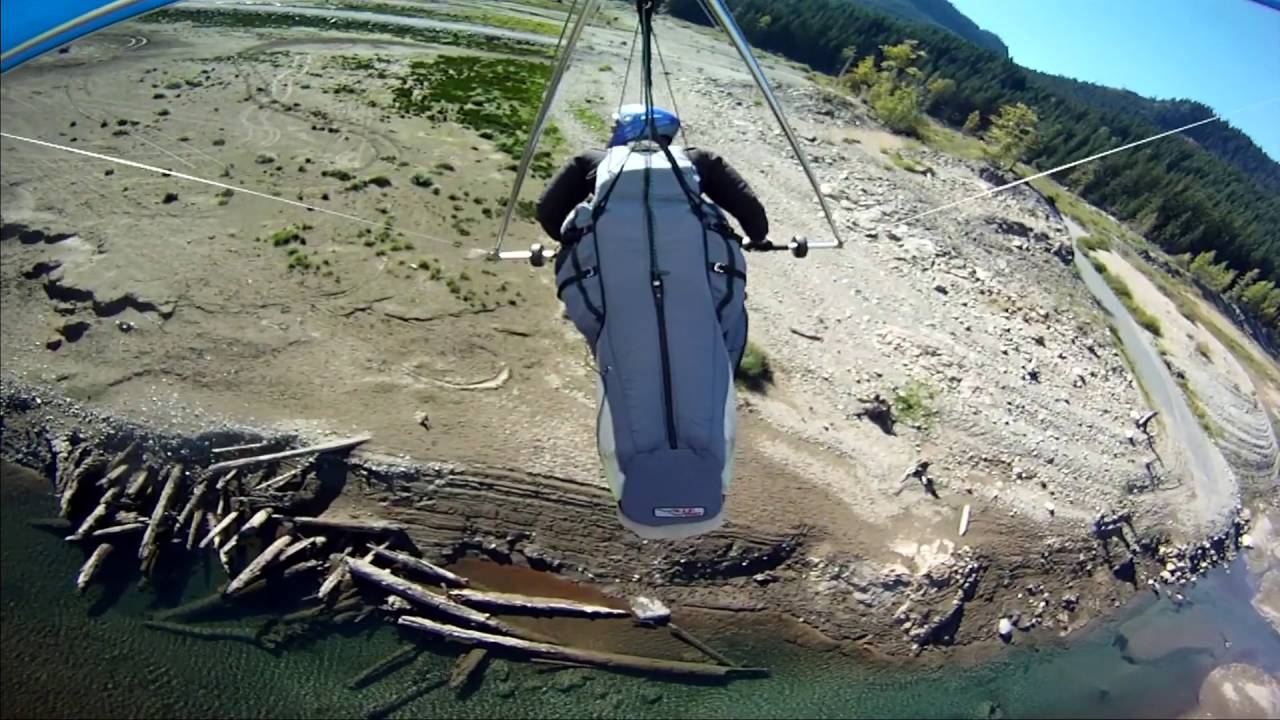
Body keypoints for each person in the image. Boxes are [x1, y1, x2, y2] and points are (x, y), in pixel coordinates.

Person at [535, 104, 771, 541]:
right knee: (707, 362)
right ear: (669, 135)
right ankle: (694, 478)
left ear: (618, 134)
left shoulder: (592, 164)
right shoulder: (699, 163)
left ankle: (646, 479)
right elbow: (754, 217)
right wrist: (755, 237)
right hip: (697, 296)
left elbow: (549, 216)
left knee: (626, 369)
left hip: (617, 299)